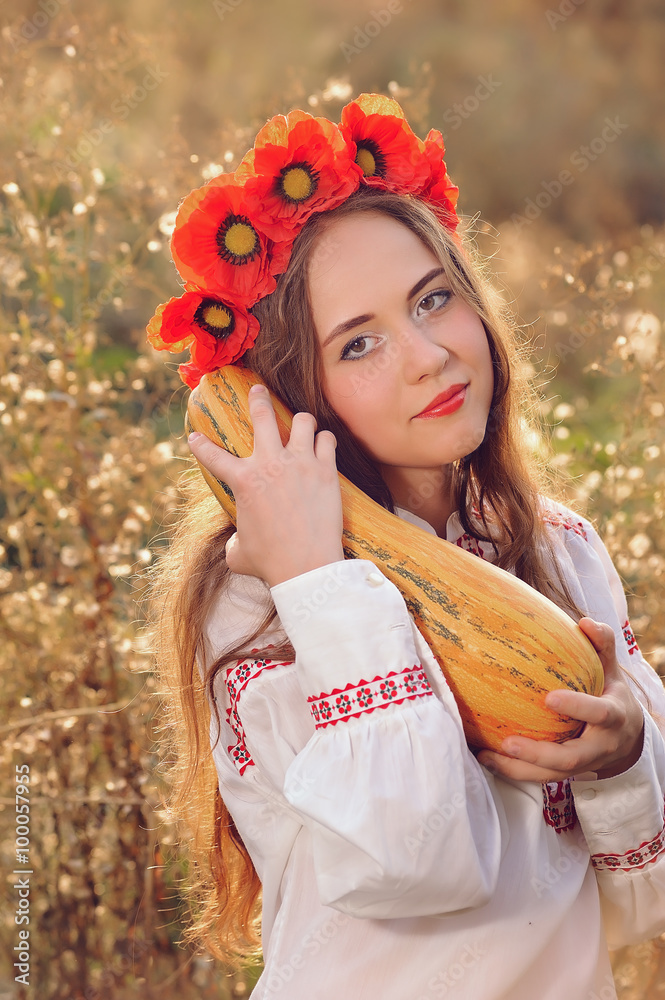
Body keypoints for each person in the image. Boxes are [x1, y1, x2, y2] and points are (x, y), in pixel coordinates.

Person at [148, 94, 665, 999]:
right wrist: (323, 583)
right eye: (358, 345)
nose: (426, 355)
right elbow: (416, 867)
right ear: (286, 404)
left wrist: (624, 760)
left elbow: (637, 904)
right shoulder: (261, 615)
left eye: (434, 299)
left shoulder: (560, 554)